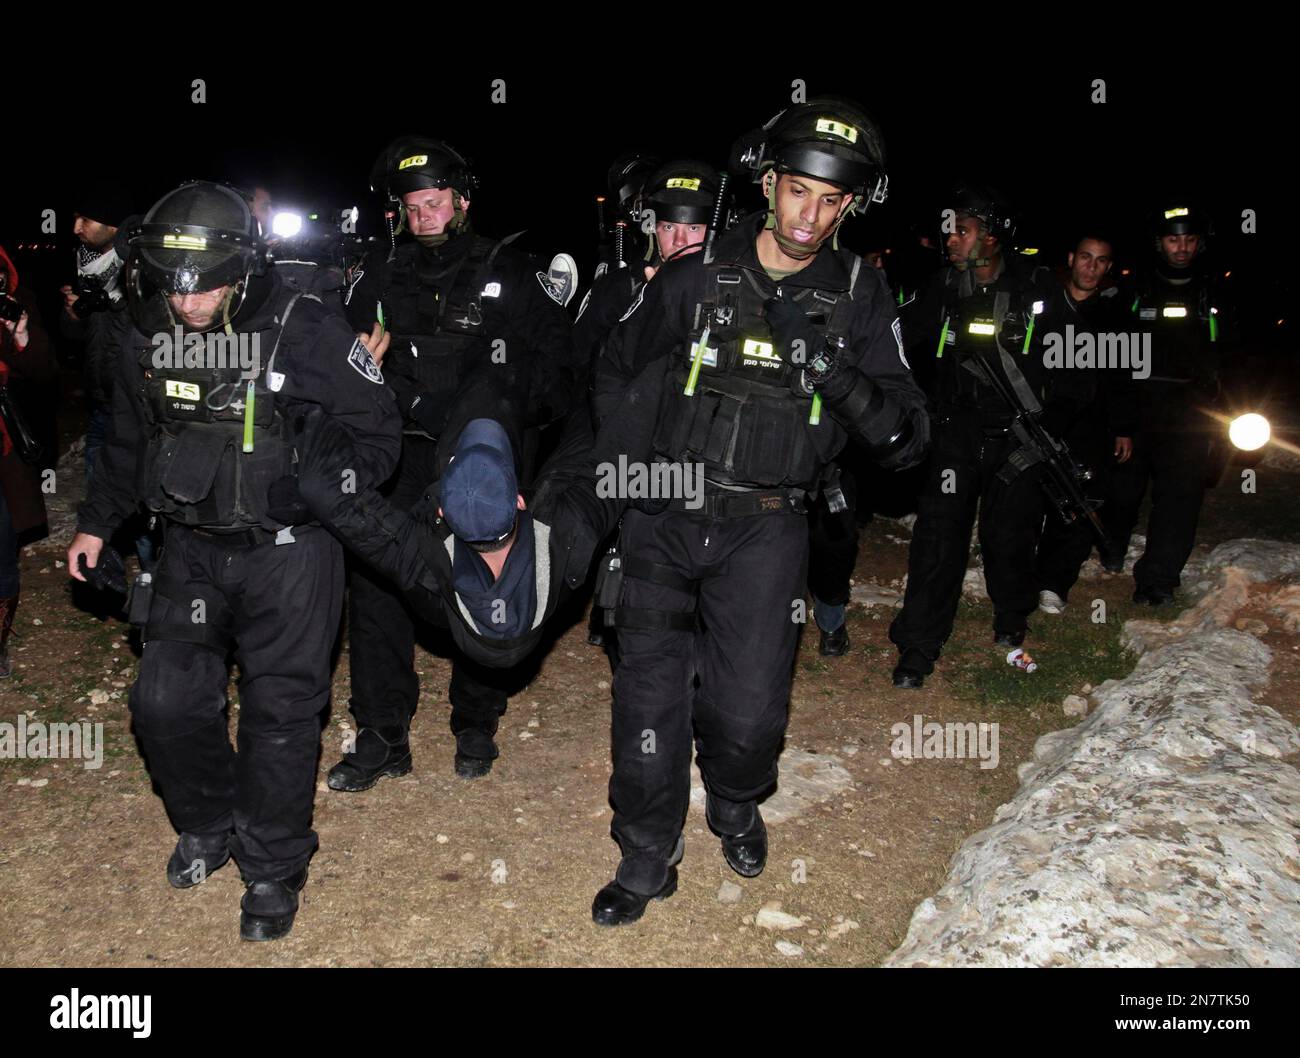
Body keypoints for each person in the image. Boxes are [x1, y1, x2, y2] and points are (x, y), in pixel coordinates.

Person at [587, 97, 929, 924]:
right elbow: (616, 374)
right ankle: (645, 851)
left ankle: (735, 802)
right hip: (665, 514)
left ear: (850, 205)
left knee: (746, 716)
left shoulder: (861, 293)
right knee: (647, 699)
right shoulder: (696, 271)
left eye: (832, 200)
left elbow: (908, 440)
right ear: (770, 184)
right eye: (799, 191)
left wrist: (837, 373)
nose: (811, 215)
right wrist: (620, 492)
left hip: (768, 525)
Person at [66, 181, 401, 941]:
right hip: (189, 546)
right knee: (164, 703)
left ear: (244, 268)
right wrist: (96, 523)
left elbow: (379, 436)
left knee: (280, 718)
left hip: (291, 555)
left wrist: (314, 481)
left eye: (208, 285)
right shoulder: (141, 332)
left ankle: (274, 866)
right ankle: (209, 823)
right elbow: (127, 439)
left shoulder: (305, 326)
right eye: (176, 286)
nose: (190, 304)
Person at [330, 135, 577, 789]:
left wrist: (501, 389)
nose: (423, 218)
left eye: (434, 203)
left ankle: (475, 720)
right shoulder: (378, 274)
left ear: (463, 201)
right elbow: (336, 357)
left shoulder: (513, 270)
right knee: (377, 586)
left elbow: (560, 377)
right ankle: (382, 735)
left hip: (477, 463)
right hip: (398, 454)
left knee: (479, 576)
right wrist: (363, 367)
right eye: (412, 207)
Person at [888, 184, 1058, 689]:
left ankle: (1011, 621)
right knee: (939, 538)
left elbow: (1073, 364)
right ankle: (917, 645)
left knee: (1010, 535)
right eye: (949, 231)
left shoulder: (1036, 290)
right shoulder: (940, 287)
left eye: (962, 230)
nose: (951, 240)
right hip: (954, 432)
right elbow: (892, 336)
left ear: (994, 235)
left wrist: (1052, 422)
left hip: (1016, 436)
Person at [1102, 202, 1230, 604]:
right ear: (1160, 243)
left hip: (1190, 415)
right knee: (1122, 493)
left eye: (1190, 239)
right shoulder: (1135, 291)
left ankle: (1157, 581)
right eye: (1174, 239)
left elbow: (1231, 356)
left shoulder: (1213, 293)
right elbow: (1115, 357)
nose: (1182, 247)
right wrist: (1120, 421)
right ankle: (1112, 546)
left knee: (1179, 498)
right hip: (1139, 409)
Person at [1034, 233, 1135, 613]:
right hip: (1041, 420)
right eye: (1086, 258)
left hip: (1091, 425)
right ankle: (1021, 575)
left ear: (1108, 267)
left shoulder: (1115, 314)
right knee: (1031, 502)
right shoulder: (1041, 302)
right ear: (1072, 259)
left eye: (1101, 261)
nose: (1091, 267)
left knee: (1078, 504)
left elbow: (1123, 375)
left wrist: (1123, 427)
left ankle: (1054, 584)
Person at [0, 244, 57, 676]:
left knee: (1, 550)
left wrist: (20, 336)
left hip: (0, 448)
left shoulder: (14, 292)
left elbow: (43, 372)